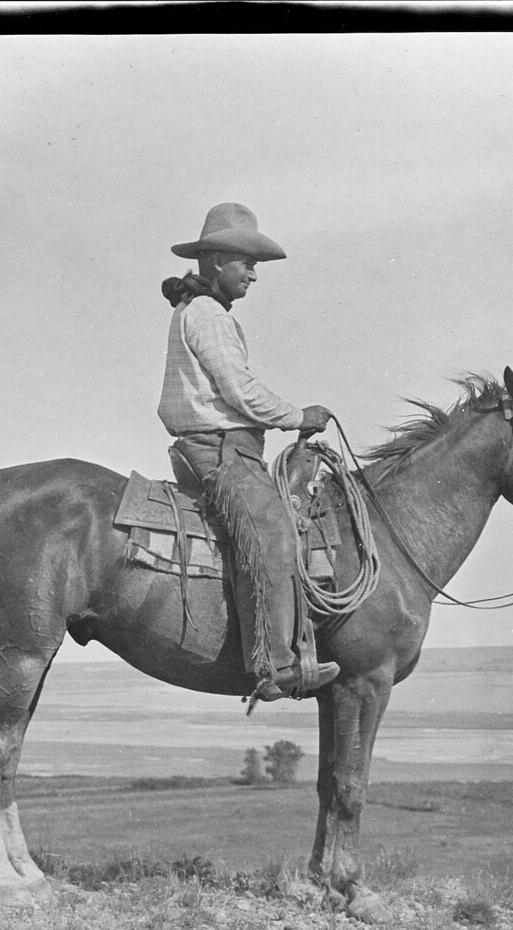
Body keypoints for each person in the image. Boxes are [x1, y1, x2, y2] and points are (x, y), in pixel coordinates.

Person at [158, 203, 339, 702]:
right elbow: (239, 391)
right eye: (247, 264)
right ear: (217, 261)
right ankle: (274, 666)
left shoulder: (198, 311)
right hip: (223, 450)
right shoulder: (208, 314)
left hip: (218, 446)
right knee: (274, 531)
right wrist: (298, 416)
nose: (254, 276)